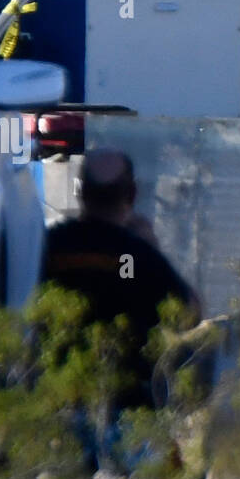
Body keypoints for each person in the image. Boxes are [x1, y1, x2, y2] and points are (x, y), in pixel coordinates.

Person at [42, 148, 199, 409]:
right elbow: (189, 313)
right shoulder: (140, 254)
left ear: (79, 191)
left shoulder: (50, 247)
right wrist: (152, 247)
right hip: (126, 407)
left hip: (55, 401)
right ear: (133, 194)